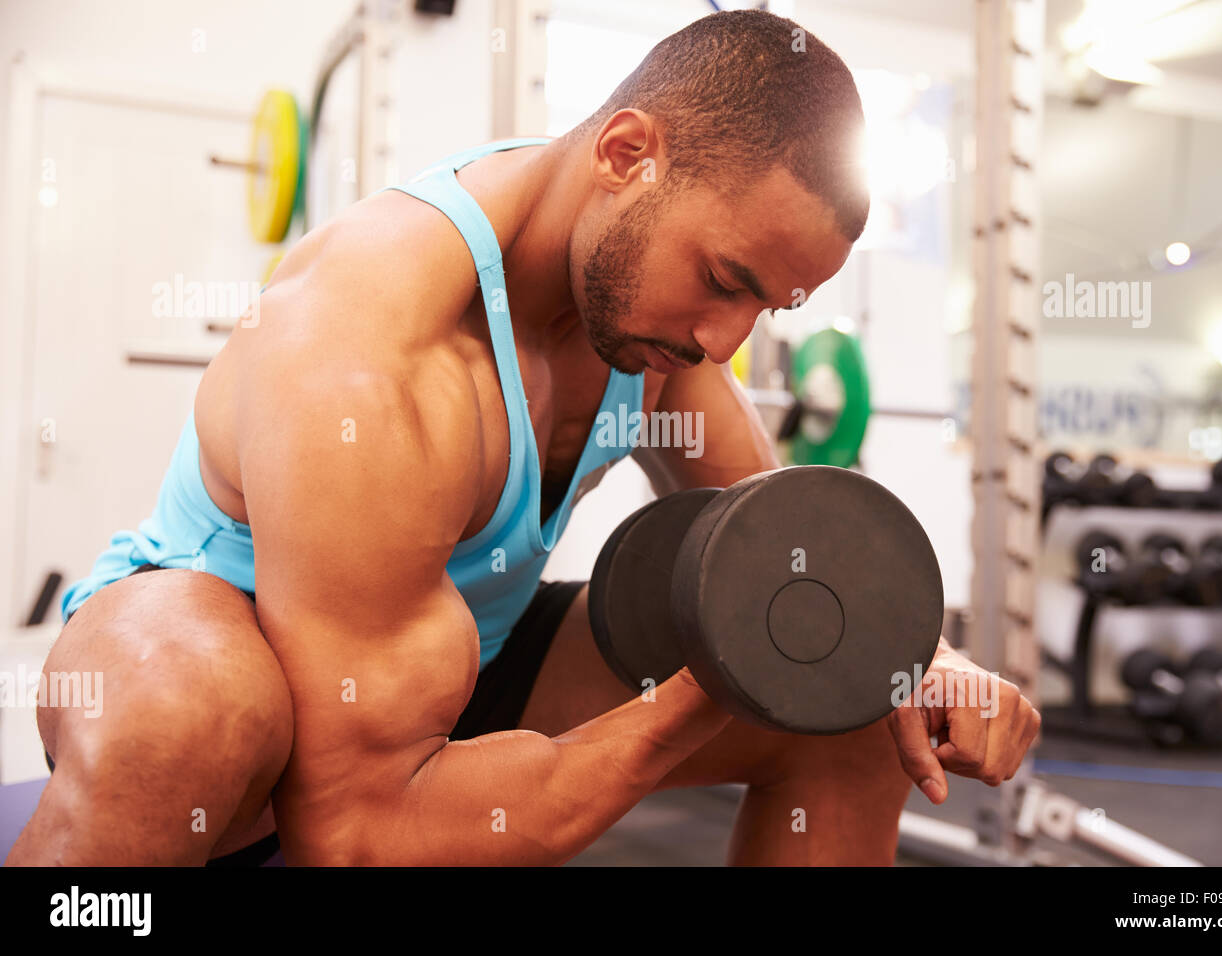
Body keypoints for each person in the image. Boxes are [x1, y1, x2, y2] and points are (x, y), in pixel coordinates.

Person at [8, 9, 1038, 867]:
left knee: (849, 705)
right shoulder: (374, 339)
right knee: (187, 718)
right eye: (726, 281)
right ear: (626, 153)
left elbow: (780, 548)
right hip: (245, 659)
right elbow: (356, 833)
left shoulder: (648, 307)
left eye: (765, 305)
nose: (722, 340)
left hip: (450, 663)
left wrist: (922, 659)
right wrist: (696, 695)